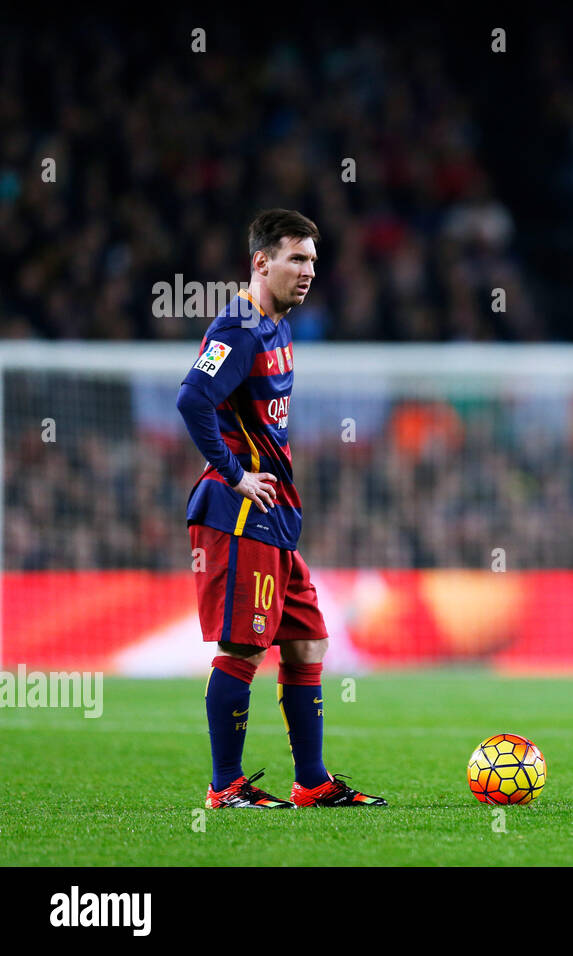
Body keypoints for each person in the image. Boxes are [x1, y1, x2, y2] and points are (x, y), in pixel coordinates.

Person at [176, 209, 386, 808]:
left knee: (306, 642)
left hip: (276, 515)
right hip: (239, 513)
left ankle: (312, 783)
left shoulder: (279, 327)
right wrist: (236, 474)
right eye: (296, 259)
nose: (308, 272)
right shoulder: (239, 326)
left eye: (314, 261)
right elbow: (192, 398)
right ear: (260, 262)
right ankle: (224, 787)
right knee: (243, 647)